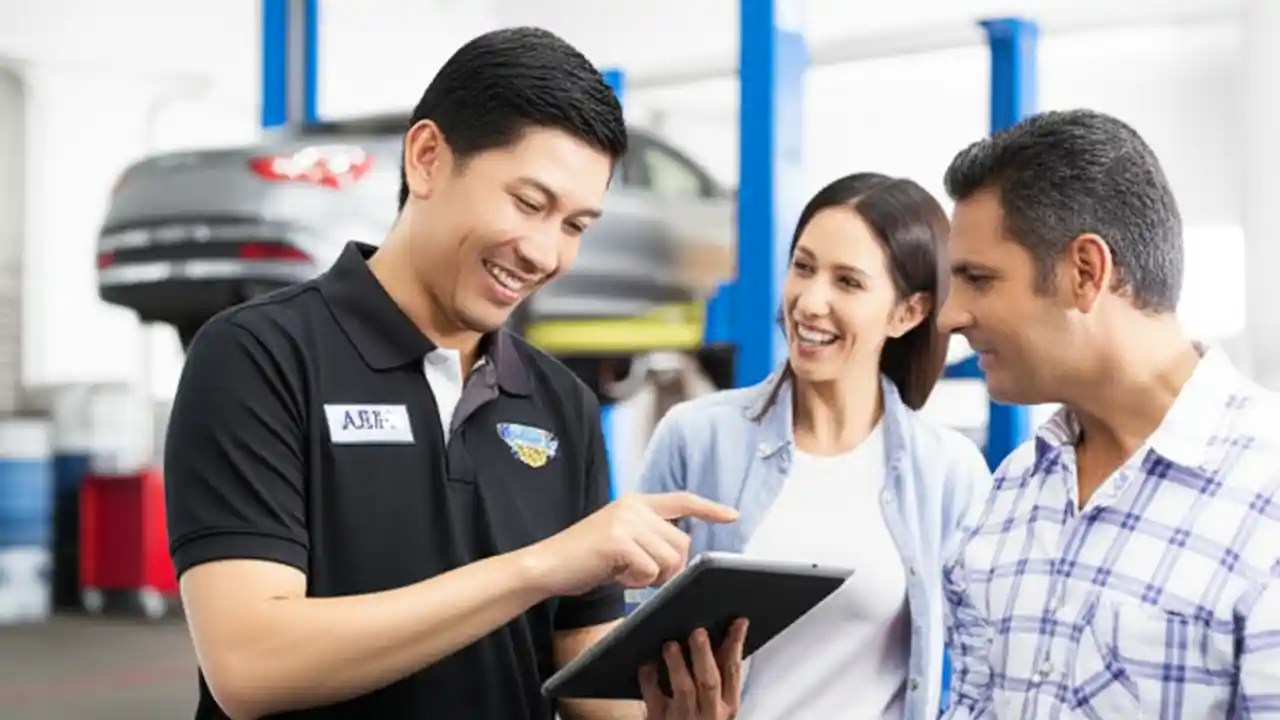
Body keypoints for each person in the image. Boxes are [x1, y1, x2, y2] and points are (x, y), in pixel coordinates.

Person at [163, 26, 747, 720]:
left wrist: (673, 708)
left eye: (575, 224)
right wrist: (538, 567)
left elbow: (584, 677)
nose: (545, 253)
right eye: (530, 204)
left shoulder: (561, 403)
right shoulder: (260, 356)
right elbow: (250, 665)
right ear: (428, 158)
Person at [937, 108, 1280, 718]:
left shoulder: (1265, 496)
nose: (951, 316)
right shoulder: (1009, 498)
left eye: (979, 280)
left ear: (1086, 272)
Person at [634, 172, 994, 719]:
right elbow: (622, 642)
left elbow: (982, 668)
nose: (810, 301)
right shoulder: (696, 438)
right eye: (803, 267)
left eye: (847, 282)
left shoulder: (948, 471)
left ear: (908, 312)